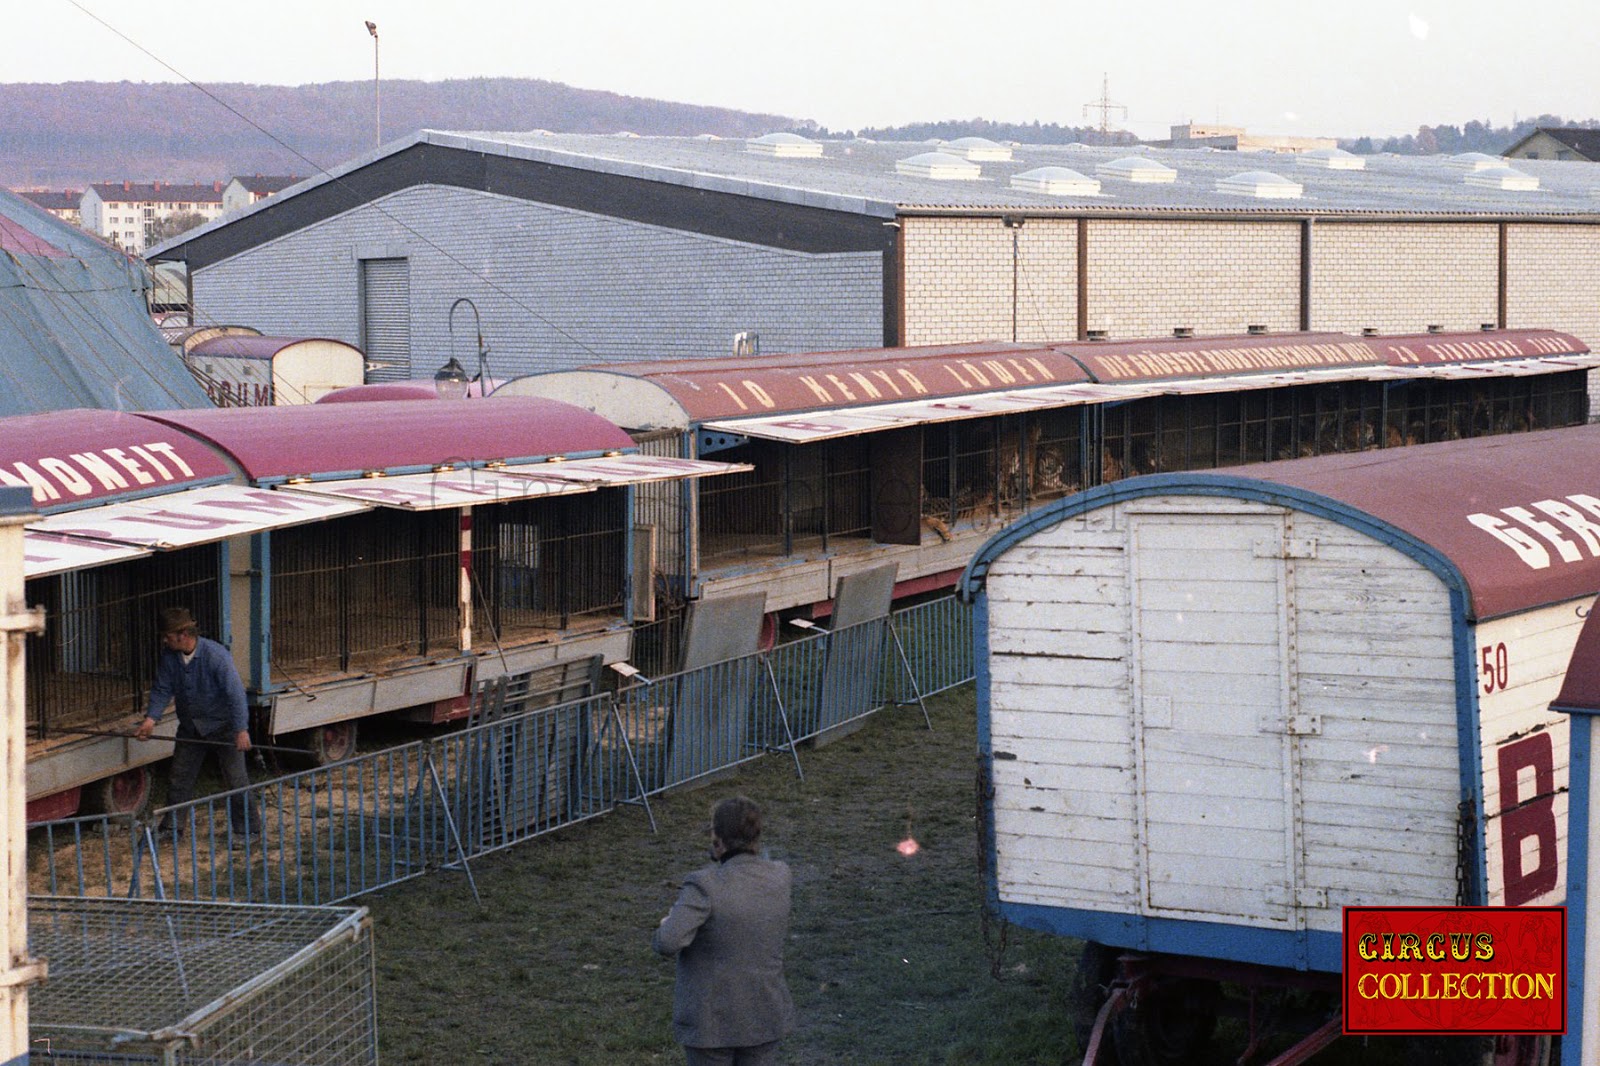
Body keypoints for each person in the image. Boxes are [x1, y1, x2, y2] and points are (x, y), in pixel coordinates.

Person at [652, 796, 797, 1066]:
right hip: (764, 1014)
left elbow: (667, 942)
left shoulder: (704, 885)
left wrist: (667, 922)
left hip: (712, 1025)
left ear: (718, 840)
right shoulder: (781, 875)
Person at [134, 607, 260, 840]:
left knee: (236, 780)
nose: (164, 640)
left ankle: (248, 830)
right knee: (179, 778)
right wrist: (151, 719)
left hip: (223, 727)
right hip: (191, 728)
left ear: (183, 635)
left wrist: (241, 729)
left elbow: (235, 694)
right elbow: (162, 688)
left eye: (167, 636)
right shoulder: (170, 657)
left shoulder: (216, 656)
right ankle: (172, 828)